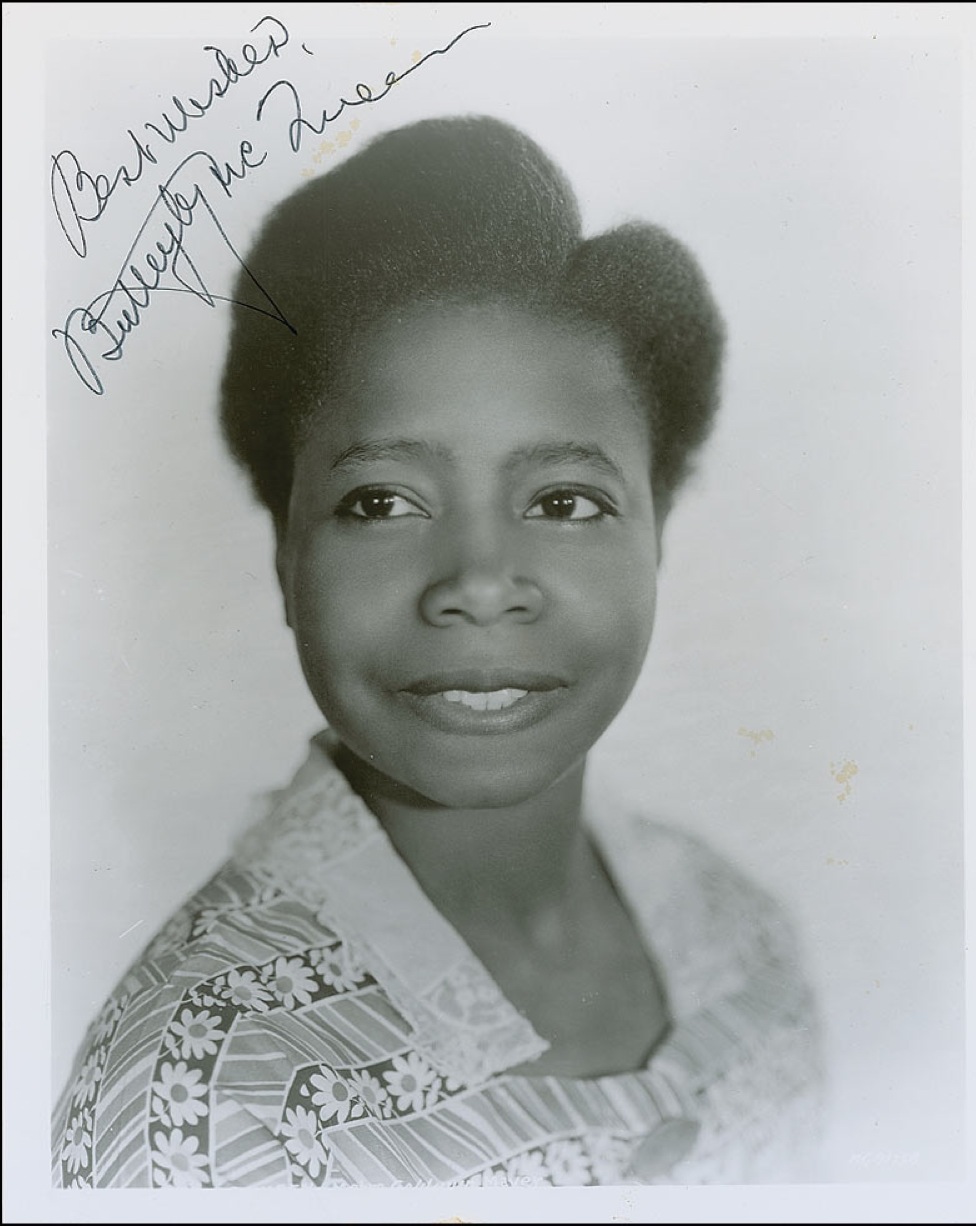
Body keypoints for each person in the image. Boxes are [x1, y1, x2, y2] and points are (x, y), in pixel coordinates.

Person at [52, 114, 822, 1189]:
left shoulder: (745, 941)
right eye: (381, 501)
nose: (477, 581)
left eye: (564, 500)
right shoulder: (195, 1104)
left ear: (657, 538)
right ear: (285, 557)